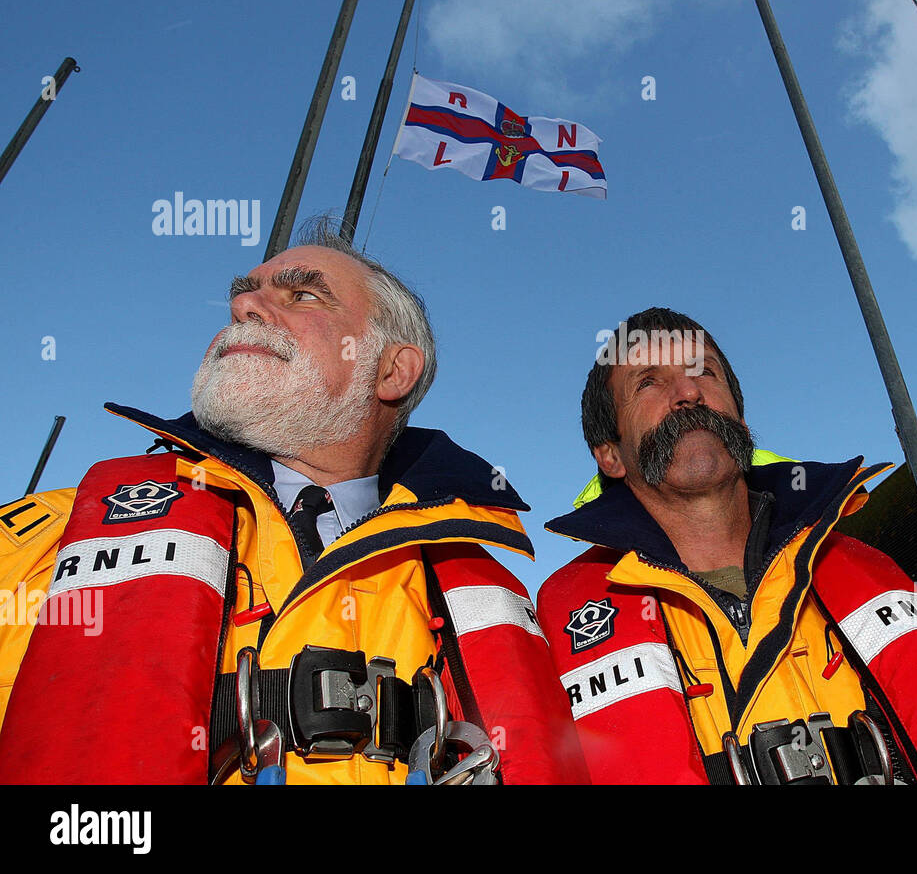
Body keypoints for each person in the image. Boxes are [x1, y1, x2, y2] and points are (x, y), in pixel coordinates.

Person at [0, 227, 585, 784]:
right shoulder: (48, 534)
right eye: (244, 294)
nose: (246, 308)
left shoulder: (495, 600)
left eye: (303, 294)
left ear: (391, 369)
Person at [535, 307, 917, 784]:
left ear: (738, 415)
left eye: (705, 372)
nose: (689, 392)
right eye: (649, 382)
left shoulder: (870, 569)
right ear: (609, 456)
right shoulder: (556, 628)